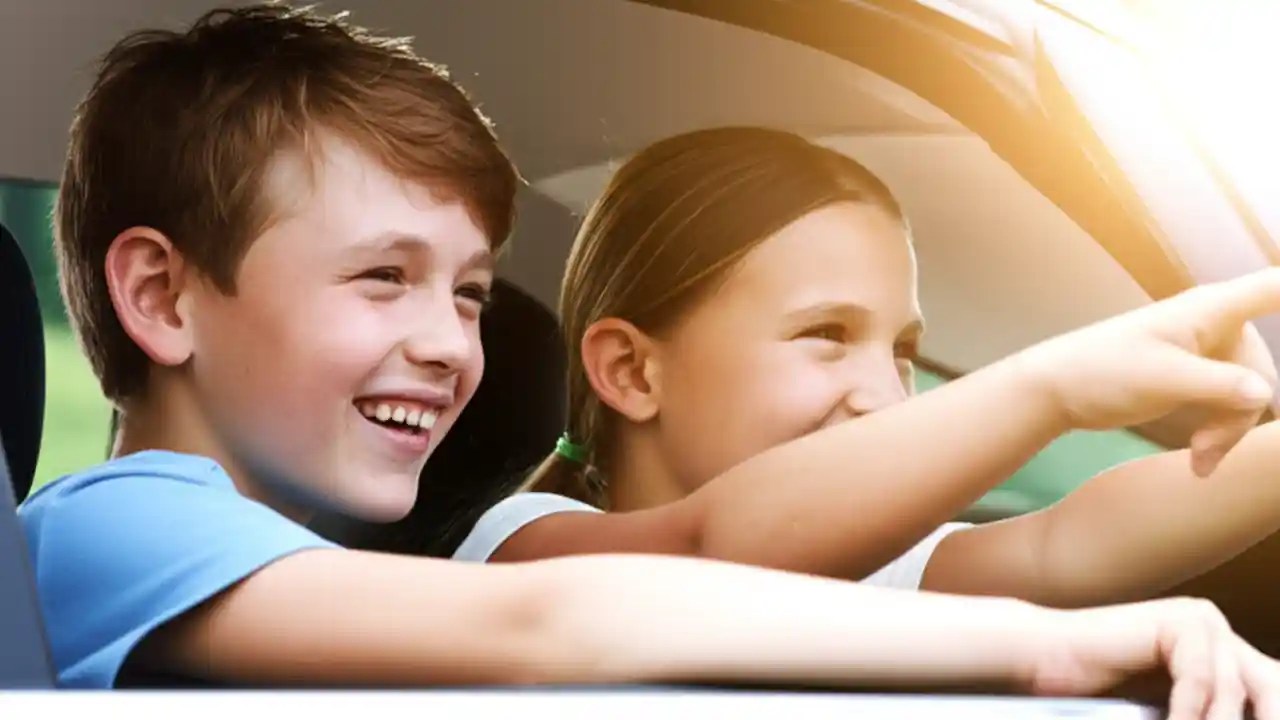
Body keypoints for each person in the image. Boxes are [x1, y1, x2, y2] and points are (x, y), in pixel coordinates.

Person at [20, 5, 1280, 711]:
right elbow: (559, 612)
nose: (449, 341)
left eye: (467, 293)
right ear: (160, 297)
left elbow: (1067, 544)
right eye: (381, 276)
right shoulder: (109, 528)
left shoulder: (303, 575)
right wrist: (1055, 642)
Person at [455, 126, 1280, 611]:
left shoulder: (866, 568)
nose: (886, 395)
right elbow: (710, 551)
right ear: (633, 372)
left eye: (903, 351)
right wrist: (1054, 386)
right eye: (824, 333)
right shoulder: (518, 553)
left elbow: (1069, 542)